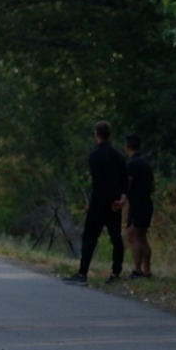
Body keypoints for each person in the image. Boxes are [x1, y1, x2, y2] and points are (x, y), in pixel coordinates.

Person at [68, 121, 126, 283]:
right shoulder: (118, 156)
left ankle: (83, 273)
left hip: (100, 203)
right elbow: (124, 181)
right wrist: (120, 199)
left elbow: (99, 182)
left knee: (90, 237)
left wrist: (109, 200)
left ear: (96, 134)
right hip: (115, 204)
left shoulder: (94, 155)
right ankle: (116, 272)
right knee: (116, 237)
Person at [122, 134, 155, 278]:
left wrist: (123, 197)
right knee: (142, 236)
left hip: (137, 204)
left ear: (127, 146)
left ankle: (137, 270)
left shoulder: (131, 164)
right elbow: (153, 186)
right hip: (147, 202)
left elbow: (127, 184)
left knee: (132, 235)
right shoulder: (146, 163)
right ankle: (147, 270)